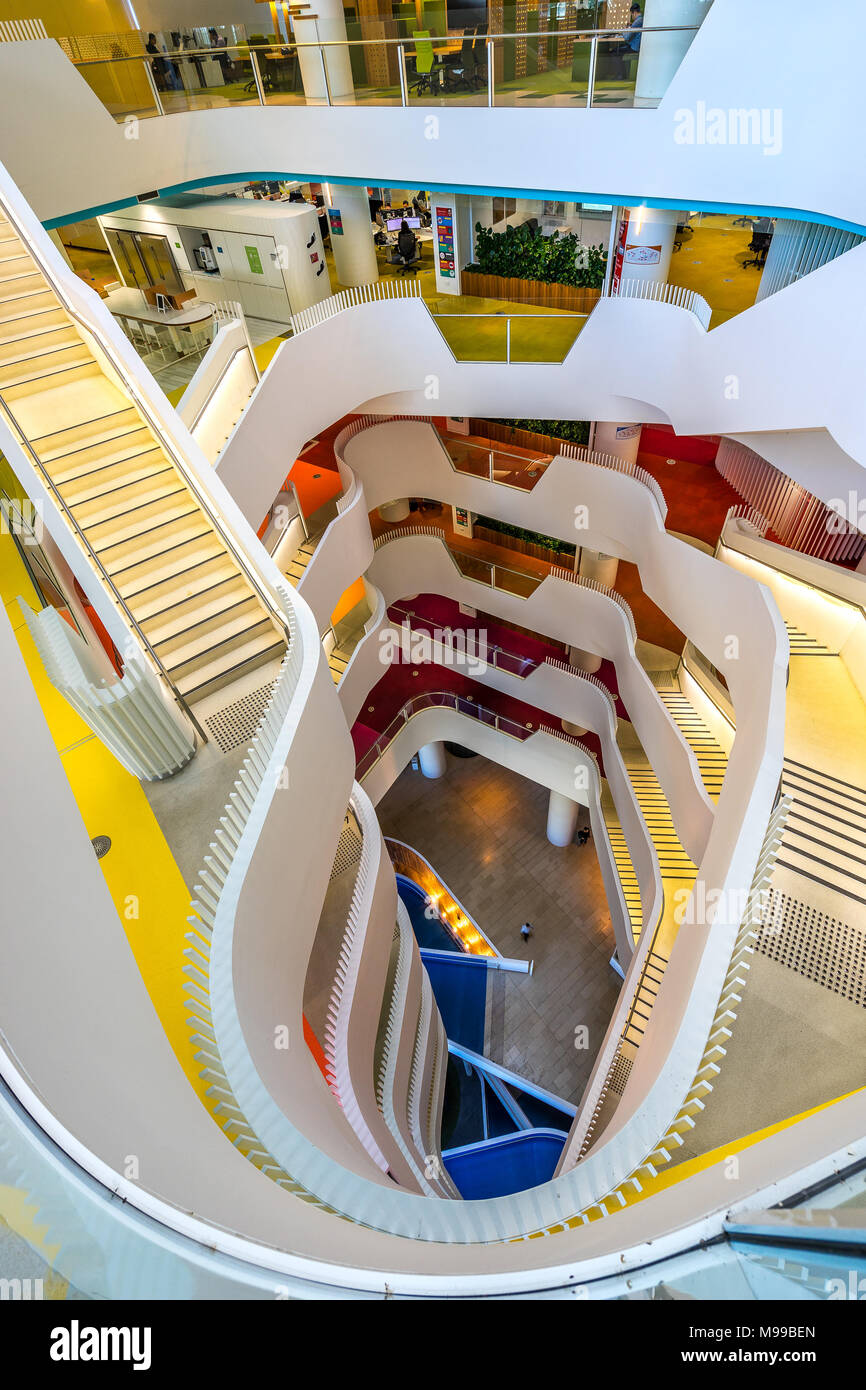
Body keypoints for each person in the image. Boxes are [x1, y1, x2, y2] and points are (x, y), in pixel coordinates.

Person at [611, 3, 643, 78]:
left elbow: (627, 37)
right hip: (635, 46)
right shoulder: (641, 20)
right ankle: (621, 74)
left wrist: (623, 30)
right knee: (617, 51)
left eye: (631, 15)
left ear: (634, 13)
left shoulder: (637, 22)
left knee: (614, 52)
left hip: (634, 48)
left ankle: (620, 75)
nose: (632, 17)